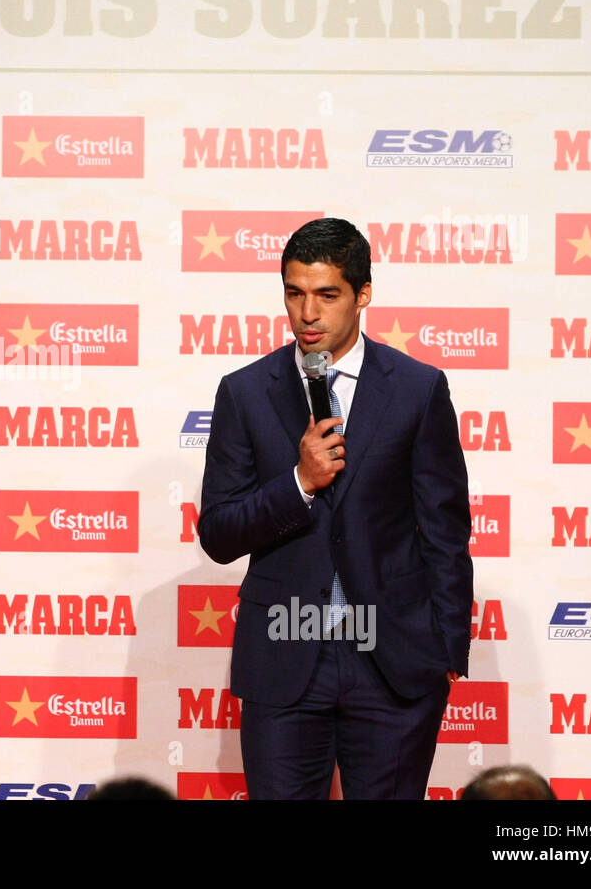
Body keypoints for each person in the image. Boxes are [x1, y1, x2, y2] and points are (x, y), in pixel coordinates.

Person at [197, 217, 473, 799]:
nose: (308, 314)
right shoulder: (245, 392)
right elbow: (219, 533)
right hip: (285, 659)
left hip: (393, 663)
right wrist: (298, 482)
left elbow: (444, 528)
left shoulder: (418, 389)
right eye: (294, 294)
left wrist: (446, 647)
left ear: (362, 294)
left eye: (327, 294)